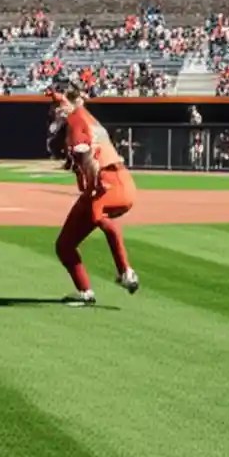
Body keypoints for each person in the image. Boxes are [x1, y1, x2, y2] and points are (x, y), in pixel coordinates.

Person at [49, 87, 140, 305]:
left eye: (58, 104)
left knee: (96, 215)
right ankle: (85, 292)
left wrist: (91, 182)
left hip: (110, 181)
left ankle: (125, 272)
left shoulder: (76, 120)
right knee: (64, 245)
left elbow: (86, 154)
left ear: (71, 103)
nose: (55, 109)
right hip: (114, 181)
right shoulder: (84, 117)